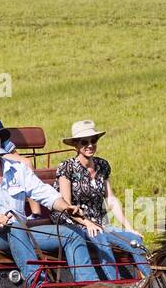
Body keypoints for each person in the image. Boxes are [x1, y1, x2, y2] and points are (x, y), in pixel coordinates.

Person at [0, 119, 100, 286]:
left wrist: (65, 206)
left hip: (20, 231)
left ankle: (89, 287)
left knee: (72, 233)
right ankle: (39, 285)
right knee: (15, 227)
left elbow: (44, 193)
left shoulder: (18, 169)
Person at [52, 119, 150, 278]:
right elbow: (67, 206)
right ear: (76, 145)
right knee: (100, 237)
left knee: (135, 241)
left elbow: (111, 199)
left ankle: (152, 280)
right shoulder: (67, 167)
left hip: (100, 223)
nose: (90, 145)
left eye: (94, 140)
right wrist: (87, 222)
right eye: (85, 142)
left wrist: (129, 227)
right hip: (75, 222)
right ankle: (115, 284)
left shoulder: (102, 165)